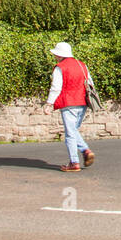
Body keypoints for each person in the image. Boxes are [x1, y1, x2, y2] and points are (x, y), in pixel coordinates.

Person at [43, 42, 94, 172]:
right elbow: (90, 83)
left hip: (68, 102)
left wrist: (49, 103)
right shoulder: (82, 65)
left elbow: (56, 87)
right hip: (82, 101)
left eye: (56, 54)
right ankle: (85, 151)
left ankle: (74, 161)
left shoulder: (60, 68)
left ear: (60, 55)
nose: (55, 56)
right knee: (73, 130)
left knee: (70, 133)